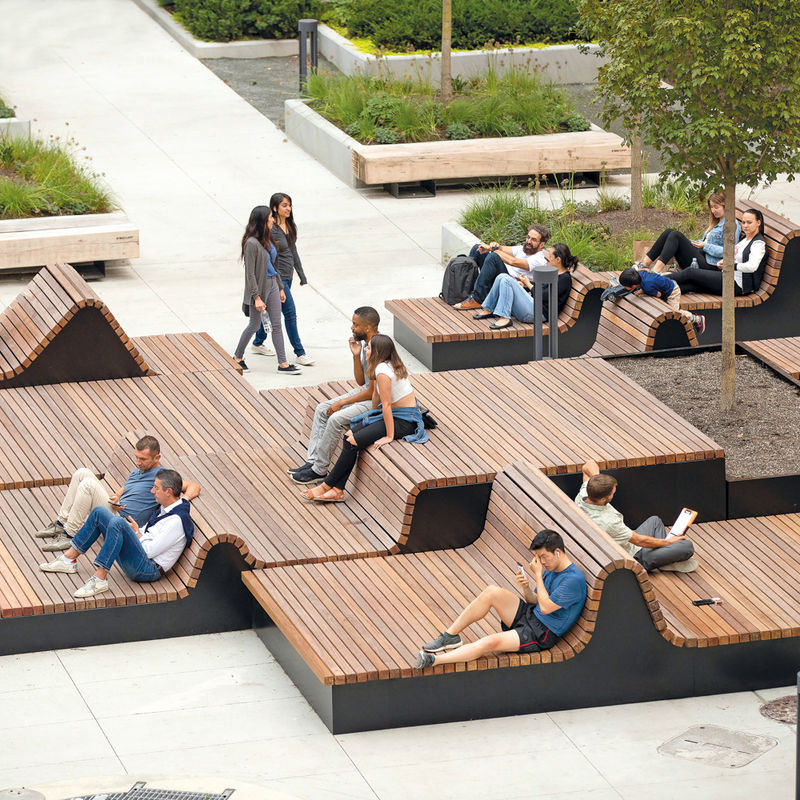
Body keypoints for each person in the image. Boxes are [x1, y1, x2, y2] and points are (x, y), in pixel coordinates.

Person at [413, 529, 587, 669]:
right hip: (531, 615)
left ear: (557, 552)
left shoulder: (572, 580)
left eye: (543, 557)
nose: (541, 562)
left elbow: (546, 608)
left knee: (490, 642)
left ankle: (434, 661)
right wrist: (526, 587)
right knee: (492, 592)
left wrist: (539, 576)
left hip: (543, 632)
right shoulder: (552, 566)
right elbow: (535, 601)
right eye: (538, 558)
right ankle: (449, 636)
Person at [300, 334, 427, 503]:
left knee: (353, 441)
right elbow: (376, 395)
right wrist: (370, 416)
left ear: (376, 352)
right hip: (394, 415)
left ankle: (326, 486)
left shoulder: (383, 371)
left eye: (368, 348)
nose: (365, 349)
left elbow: (387, 405)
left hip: (404, 421)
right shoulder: (381, 366)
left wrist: (389, 436)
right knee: (348, 437)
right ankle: (338, 490)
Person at [39, 468, 195, 599]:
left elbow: (149, 551)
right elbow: (149, 533)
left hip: (147, 570)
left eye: (156, 488)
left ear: (168, 492)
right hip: (141, 557)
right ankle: (68, 559)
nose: (152, 491)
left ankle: (99, 579)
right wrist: (137, 531)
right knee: (100, 512)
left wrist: (137, 535)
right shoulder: (167, 508)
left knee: (118, 523)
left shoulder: (176, 521)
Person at [34, 436, 200, 553]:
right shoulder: (136, 472)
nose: (138, 462)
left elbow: (194, 486)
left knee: (89, 485)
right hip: (115, 510)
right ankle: (61, 523)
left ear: (157, 457)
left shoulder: (161, 477)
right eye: (137, 457)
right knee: (82, 473)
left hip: (123, 523)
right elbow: (125, 488)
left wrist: (184, 501)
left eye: (143, 459)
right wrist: (117, 497)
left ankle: (70, 533)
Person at [289, 307, 381, 485]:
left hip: (377, 401)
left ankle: (319, 470)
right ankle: (313, 462)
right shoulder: (366, 345)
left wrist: (342, 402)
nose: (352, 328)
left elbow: (371, 393)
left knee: (335, 419)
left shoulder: (377, 348)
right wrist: (356, 356)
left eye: (355, 324)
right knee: (323, 409)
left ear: (368, 328)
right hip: (368, 393)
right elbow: (361, 382)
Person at [575, 460, 697, 572]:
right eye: (612, 494)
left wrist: (598, 480)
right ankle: (659, 561)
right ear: (602, 499)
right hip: (633, 557)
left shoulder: (584, 495)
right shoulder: (608, 522)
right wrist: (668, 543)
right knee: (687, 546)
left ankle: (663, 559)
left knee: (655, 521)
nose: (614, 494)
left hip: (626, 544)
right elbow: (639, 540)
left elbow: (589, 464)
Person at [233, 205, 301, 374]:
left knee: (277, 325)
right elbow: (250, 274)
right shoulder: (251, 243)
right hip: (258, 287)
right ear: (262, 221)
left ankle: (283, 364)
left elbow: (273, 266)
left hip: (272, 284)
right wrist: (256, 297)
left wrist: (280, 287)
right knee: (254, 325)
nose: (272, 219)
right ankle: (237, 357)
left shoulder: (268, 239)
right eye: (270, 217)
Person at [252, 193, 314, 366]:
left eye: (290, 205)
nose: (288, 208)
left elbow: (293, 252)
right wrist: (277, 282)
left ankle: (257, 342)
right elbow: (268, 258)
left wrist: (301, 274)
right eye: (284, 205)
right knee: (290, 313)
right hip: (276, 278)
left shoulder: (289, 225)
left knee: (274, 313)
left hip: (288, 276)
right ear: (274, 208)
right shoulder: (270, 230)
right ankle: (300, 352)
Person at [473, 243, 577, 330]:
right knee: (502, 276)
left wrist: (528, 284)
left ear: (558, 259)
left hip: (538, 314)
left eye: (550, 256)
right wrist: (523, 286)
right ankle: (490, 308)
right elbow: (540, 289)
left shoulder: (564, 279)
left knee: (506, 280)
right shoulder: (554, 273)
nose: (548, 259)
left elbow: (543, 295)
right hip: (532, 307)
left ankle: (504, 317)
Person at [671, 208, 768, 297]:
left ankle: (657, 280)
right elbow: (735, 256)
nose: (745, 226)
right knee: (690, 285)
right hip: (726, 277)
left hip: (737, 285)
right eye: (743, 222)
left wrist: (730, 265)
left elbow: (752, 266)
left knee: (691, 272)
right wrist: (723, 261)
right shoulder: (745, 239)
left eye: (749, 222)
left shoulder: (758, 244)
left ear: (758, 222)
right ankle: (660, 292)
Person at [636, 193, 740, 274]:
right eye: (711, 207)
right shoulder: (716, 223)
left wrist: (705, 246)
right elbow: (704, 242)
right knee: (669, 232)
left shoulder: (731, 225)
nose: (713, 210)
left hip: (710, 266)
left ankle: (655, 272)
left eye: (716, 207)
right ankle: (643, 265)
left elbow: (730, 252)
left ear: (725, 205)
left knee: (675, 235)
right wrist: (692, 242)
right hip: (699, 257)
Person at [454, 224, 550, 310]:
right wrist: (494, 246)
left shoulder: (540, 259)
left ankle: (478, 299)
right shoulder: (523, 249)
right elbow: (502, 249)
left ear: (542, 244)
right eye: (528, 237)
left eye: (533, 240)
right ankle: (467, 290)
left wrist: (493, 250)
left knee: (494, 257)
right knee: (478, 248)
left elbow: (513, 261)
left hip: (515, 285)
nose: (528, 241)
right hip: (503, 276)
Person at [618, 267, 706, 335]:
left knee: (674, 314)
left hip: (672, 292)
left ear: (633, 285)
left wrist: (644, 291)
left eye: (625, 286)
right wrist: (641, 290)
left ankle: (696, 318)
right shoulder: (640, 273)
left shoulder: (648, 287)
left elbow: (658, 294)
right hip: (666, 283)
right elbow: (647, 270)